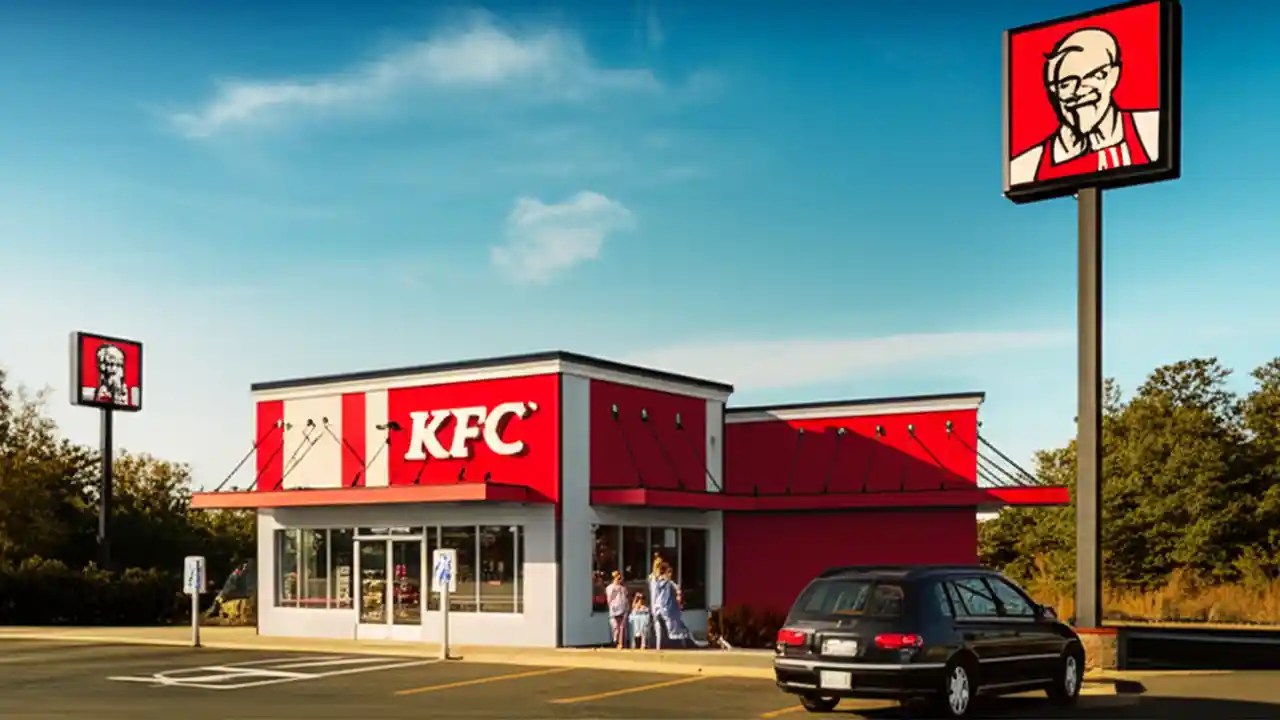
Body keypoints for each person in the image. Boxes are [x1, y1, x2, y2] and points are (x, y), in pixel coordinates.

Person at [1008, 27, 1160, 185]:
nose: (1078, 92)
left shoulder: (1151, 130)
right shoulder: (1025, 169)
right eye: (1065, 85)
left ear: (1112, 77)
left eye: (1090, 77)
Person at [651, 561, 690, 649]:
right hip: (665, 608)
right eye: (669, 572)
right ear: (665, 572)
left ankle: (661, 645)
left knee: (665, 626)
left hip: (662, 607)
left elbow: (677, 591)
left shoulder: (663, 582)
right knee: (671, 625)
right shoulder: (664, 582)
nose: (670, 574)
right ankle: (674, 643)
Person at [605, 570, 629, 649]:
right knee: (615, 627)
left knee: (622, 627)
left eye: (620, 578)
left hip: (622, 609)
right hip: (614, 610)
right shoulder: (610, 588)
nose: (619, 580)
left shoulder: (623, 588)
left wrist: (626, 607)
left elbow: (625, 598)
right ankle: (615, 639)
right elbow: (610, 599)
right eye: (617, 578)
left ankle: (620, 643)